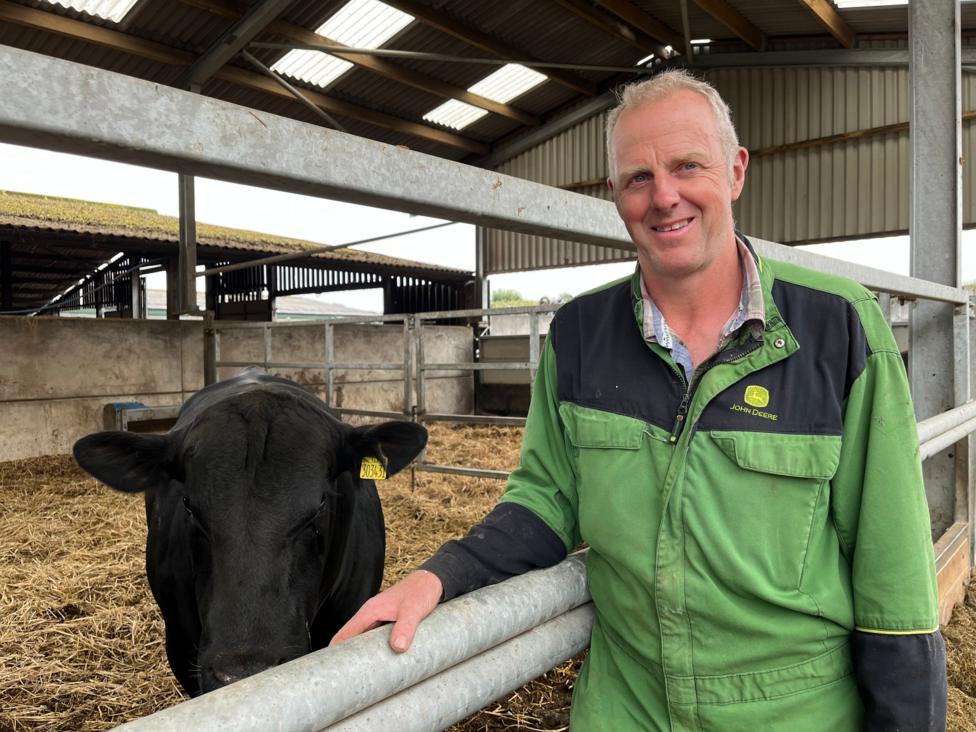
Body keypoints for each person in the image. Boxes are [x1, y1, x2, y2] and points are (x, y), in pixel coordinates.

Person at [332, 70, 947, 731]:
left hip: (791, 711)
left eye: (688, 166)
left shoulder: (840, 330)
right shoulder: (579, 336)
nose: (665, 197)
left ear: (736, 171)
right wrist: (439, 576)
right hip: (627, 710)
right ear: (614, 195)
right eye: (638, 178)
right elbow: (548, 496)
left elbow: (894, 579)